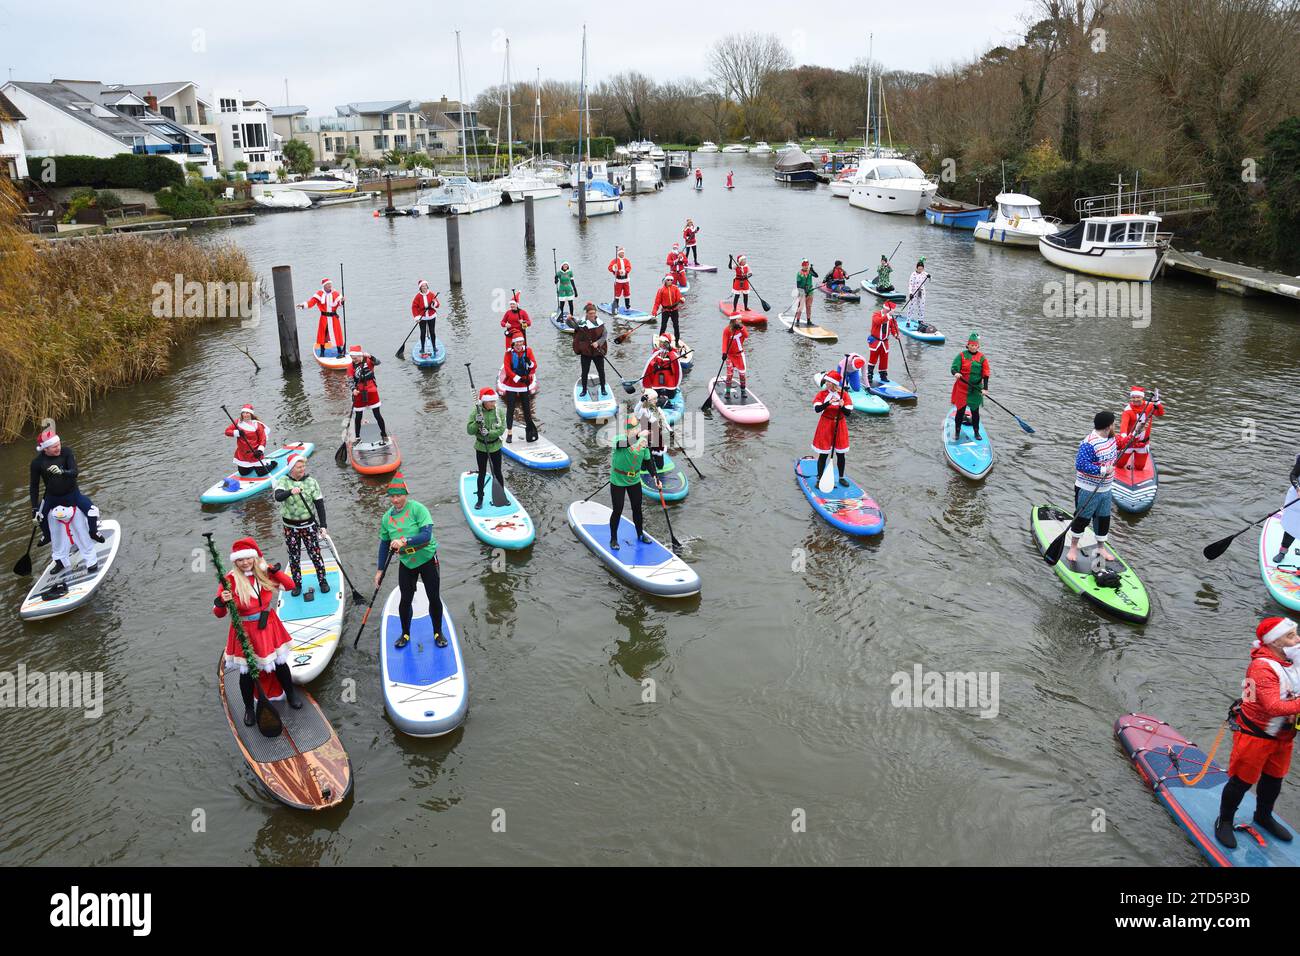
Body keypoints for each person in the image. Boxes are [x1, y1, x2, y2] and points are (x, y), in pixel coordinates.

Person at [1215, 616, 1300, 848]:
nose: (1298, 639)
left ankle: (1263, 816)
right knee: (1241, 782)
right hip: (1256, 736)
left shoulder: (1291, 660)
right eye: (1291, 635)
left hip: (1283, 737)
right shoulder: (1262, 666)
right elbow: (1274, 707)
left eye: (1296, 633)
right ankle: (1224, 820)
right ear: (1274, 642)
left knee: (1274, 780)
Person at [215, 536, 300, 725]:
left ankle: (291, 694)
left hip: (268, 626)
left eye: (248, 558)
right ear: (235, 561)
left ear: (254, 558)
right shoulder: (228, 580)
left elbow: (291, 586)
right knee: (246, 673)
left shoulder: (264, 573)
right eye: (240, 559)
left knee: (280, 664)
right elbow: (219, 614)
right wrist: (222, 601)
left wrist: (273, 571)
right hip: (244, 630)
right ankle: (248, 709)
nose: (245, 563)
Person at [374, 472, 443, 649]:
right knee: (405, 599)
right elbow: (384, 544)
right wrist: (380, 570)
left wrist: (404, 540)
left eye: (399, 496)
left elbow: (426, 536)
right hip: (407, 562)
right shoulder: (386, 518)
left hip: (426, 557)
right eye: (392, 496)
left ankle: (438, 632)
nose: (395, 500)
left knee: (433, 597)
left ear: (406, 494)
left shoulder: (418, 509)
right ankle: (405, 633)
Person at [29, 419, 102, 547]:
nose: (58, 447)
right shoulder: (37, 463)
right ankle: (47, 535)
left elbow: (75, 472)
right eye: (54, 446)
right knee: (39, 516)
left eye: (59, 444)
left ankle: (93, 532)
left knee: (92, 510)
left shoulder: (66, 452)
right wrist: (34, 508)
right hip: (52, 497)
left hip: (72, 494)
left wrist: (62, 472)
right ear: (45, 449)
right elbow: (34, 486)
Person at [1065, 411, 1119, 565]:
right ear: (1109, 426)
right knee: (1082, 519)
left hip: (1106, 489)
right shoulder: (1089, 442)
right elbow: (1080, 465)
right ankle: (1073, 548)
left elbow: (1124, 442)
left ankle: (1101, 547)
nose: (1115, 425)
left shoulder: (1111, 438)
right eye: (1114, 423)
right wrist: (1103, 470)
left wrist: (1139, 429)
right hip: (1088, 489)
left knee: (1103, 519)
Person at [272, 453, 329, 597]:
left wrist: (323, 525)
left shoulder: (311, 482)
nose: (302, 469)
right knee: (294, 556)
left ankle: (322, 581)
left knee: (315, 554)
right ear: (291, 468)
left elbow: (319, 505)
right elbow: (278, 497)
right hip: (290, 527)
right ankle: (297, 584)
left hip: (308, 526)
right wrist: (290, 491)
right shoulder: (283, 481)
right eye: (299, 467)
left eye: (303, 466)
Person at [608, 411, 657, 550]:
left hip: (634, 480)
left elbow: (648, 462)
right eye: (632, 429)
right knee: (618, 509)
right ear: (626, 430)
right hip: (618, 480)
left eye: (637, 428)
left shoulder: (643, 442)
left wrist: (655, 477)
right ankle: (613, 539)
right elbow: (623, 444)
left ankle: (640, 534)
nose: (635, 430)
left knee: (637, 508)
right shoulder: (618, 439)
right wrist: (637, 436)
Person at [467, 388, 507, 510]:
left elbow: (502, 429)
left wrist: (489, 433)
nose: (494, 404)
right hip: (481, 448)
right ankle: (480, 499)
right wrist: (477, 423)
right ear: (484, 402)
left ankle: (502, 497)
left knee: (498, 472)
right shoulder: (476, 412)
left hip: (495, 447)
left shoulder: (498, 412)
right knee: (482, 473)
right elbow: (469, 430)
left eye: (495, 401)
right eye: (491, 402)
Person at [812, 369, 853, 487]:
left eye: (828, 382)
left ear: (833, 383)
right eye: (826, 382)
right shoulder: (822, 394)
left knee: (841, 454)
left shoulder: (844, 395)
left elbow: (848, 413)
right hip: (826, 424)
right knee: (824, 454)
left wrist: (842, 406)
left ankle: (841, 477)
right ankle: (819, 479)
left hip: (840, 425)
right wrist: (828, 403)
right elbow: (817, 409)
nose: (826, 384)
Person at [950, 332, 990, 440]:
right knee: (960, 411)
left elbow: (986, 374)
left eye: (975, 345)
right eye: (971, 345)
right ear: (968, 345)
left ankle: (976, 432)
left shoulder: (982, 358)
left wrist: (985, 388)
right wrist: (956, 373)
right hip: (962, 388)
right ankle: (957, 432)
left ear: (978, 346)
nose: (973, 347)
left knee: (975, 412)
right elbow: (953, 368)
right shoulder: (961, 355)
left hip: (976, 390)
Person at [500, 334, 538, 442]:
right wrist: (517, 378)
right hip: (512, 384)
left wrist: (529, 362)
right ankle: (509, 432)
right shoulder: (508, 353)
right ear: (513, 343)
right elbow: (507, 369)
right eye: (517, 343)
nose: (519, 344)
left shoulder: (528, 351)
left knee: (527, 409)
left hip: (524, 384)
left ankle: (529, 430)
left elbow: (534, 366)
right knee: (510, 408)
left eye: (521, 342)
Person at [348, 346, 390, 442]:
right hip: (358, 392)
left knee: (377, 414)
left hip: (371, 391)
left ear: (360, 355)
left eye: (355, 358)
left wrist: (371, 356)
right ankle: (358, 437)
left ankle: (384, 434)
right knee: (358, 416)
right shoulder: (351, 366)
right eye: (352, 358)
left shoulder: (368, 360)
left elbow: (378, 362)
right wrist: (353, 389)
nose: (353, 360)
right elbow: (350, 381)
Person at [1117, 387, 1165, 470]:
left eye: (1138, 397)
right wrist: (1123, 440)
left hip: (1143, 443)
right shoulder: (1128, 410)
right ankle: (1119, 457)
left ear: (1142, 397)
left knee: (1139, 467)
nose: (1135, 399)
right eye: (1133, 397)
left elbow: (1160, 413)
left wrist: (1157, 402)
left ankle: (1133, 465)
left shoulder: (1149, 406)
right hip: (1129, 443)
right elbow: (1123, 426)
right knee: (1120, 465)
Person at [297, 277, 345, 357]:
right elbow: (311, 302)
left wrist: (342, 301)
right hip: (324, 317)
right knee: (323, 334)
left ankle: (339, 350)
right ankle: (322, 351)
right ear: (324, 286)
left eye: (330, 284)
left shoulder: (335, 293)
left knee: (336, 333)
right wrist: (303, 305)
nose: (330, 285)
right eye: (328, 284)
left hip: (333, 317)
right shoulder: (319, 294)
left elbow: (340, 303)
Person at [568, 301, 608, 397]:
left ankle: (603, 388)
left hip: (597, 351)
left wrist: (597, 343)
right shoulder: (581, 323)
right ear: (586, 313)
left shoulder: (600, 323)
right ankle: (584, 390)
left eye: (594, 313)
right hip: (586, 352)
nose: (592, 315)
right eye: (590, 313)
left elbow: (604, 335)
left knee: (601, 371)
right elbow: (571, 325)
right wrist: (568, 319)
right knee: (584, 372)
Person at [224, 404, 270, 476]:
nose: (245, 415)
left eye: (247, 413)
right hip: (242, 454)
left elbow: (263, 439)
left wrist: (260, 450)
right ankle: (252, 466)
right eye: (243, 413)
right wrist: (237, 432)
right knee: (243, 473)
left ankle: (271, 464)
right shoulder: (237, 422)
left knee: (261, 473)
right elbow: (227, 432)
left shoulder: (257, 425)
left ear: (251, 414)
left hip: (255, 453)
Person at [634, 387, 670, 476]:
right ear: (648, 400)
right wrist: (641, 402)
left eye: (656, 398)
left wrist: (670, 429)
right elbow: (636, 412)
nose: (655, 400)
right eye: (653, 399)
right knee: (644, 464)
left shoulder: (657, 409)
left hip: (657, 436)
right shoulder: (643, 410)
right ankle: (645, 464)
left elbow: (663, 420)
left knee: (660, 465)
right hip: (646, 437)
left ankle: (658, 463)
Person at [1272, 453, 1300, 565]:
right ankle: (1282, 552)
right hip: (1297, 497)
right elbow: (1293, 475)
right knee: (1292, 526)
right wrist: (1298, 489)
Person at [641, 334, 682, 403]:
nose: (660, 344)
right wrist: (655, 365)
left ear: (666, 343)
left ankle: (669, 400)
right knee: (656, 394)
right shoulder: (657, 352)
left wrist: (669, 358)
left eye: (661, 342)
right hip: (657, 378)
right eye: (659, 342)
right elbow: (651, 361)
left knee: (671, 396)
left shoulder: (672, 354)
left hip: (669, 378)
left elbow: (676, 367)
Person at [867, 300, 899, 384]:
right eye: (888, 311)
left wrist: (896, 335)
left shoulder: (891, 318)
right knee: (873, 359)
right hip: (875, 341)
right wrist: (888, 315)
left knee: (884, 359)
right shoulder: (876, 314)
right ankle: (869, 375)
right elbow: (879, 321)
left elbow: (894, 327)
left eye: (889, 311)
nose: (888, 312)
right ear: (884, 309)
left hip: (884, 342)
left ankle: (883, 375)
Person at [409, 279, 440, 356]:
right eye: (422, 286)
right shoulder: (418, 296)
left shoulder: (432, 294)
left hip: (431, 316)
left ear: (427, 286)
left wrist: (434, 303)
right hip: (422, 317)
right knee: (422, 332)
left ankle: (434, 347)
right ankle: (422, 348)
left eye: (425, 286)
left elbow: (438, 305)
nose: (424, 287)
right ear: (420, 288)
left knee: (432, 332)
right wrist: (416, 317)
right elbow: (414, 307)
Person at [652, 274, 685, 343]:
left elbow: (679, 298)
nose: (670, 281)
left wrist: (682, 300)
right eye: (668, 280)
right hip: (665, 310)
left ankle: (677, 342)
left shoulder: (675, 288)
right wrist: (654, 311)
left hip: (674, 310)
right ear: (665, 281)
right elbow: (657, 302)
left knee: (676, 326)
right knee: (663, 326)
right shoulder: (661, 290)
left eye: (671, 280)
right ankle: (660, 341)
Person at [722, 314, 748, 399]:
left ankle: (743, 391)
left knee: (742, 374)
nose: (740, 320)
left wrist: (741, 328)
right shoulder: (727, 330)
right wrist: (724, 353)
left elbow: (746, 335)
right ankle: (728, 392)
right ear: (734, 320)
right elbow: (724, 343)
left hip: (739, 354)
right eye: (738, 319)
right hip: (730, 355)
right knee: (729, 374)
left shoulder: (741, 328)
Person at [608, 246, 633, 314]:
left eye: (623, 253)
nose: (622, 254)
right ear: (618, 253)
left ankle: (627, 307)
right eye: (621, 253)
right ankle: (616, 308)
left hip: (626, 280)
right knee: (617, 294)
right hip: (618, 280)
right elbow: (610, 268)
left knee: (627, 294)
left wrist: (625, 271)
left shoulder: (626, 261)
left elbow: (629, 267)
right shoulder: (614, 261)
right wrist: (614, 268)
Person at [793, 259, 818, 325]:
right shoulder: (799, 274)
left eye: (807, 265)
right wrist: (803, 291)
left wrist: (813, 270)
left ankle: (808, 321)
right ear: (802, 266)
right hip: (802, 292)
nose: (806, 267)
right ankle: (797, 321)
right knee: (800, 307)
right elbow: (798, 285)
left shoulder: (810, 272)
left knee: (809, 306)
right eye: (805, 266)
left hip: (810, 291)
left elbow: (816, 276)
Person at [907, 258, 929, 322]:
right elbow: (910, 285)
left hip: (921, 292)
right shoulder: (913, 275)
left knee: (921, 306)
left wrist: (929, 277)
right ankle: (908, 320)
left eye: (921, 269)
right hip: (914, 293)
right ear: (916, 268)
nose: (920, 270)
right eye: (919, 269)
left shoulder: (924, 273)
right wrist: (910, 293)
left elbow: (930, 278)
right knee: (911, 307)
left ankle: (920, 320)